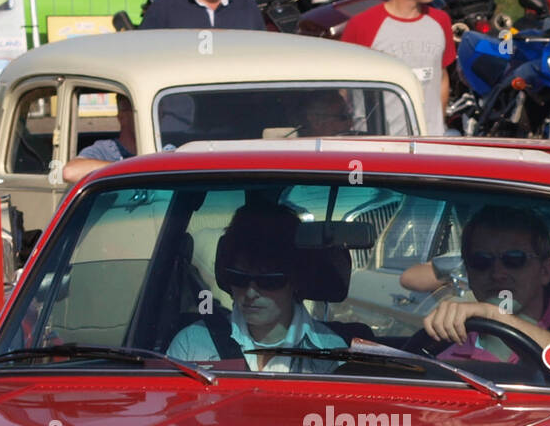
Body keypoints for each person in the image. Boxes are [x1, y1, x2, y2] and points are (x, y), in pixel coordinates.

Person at [168, 204, 347, 373]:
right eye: (239, 278)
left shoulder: (331, 354)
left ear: (295, 280)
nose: (251, 293)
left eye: (269, 281)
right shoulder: (191, 345)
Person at [420, 205, 550, 367]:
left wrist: (495, 315)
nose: (497, 274)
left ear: (545, 271)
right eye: (481, 261)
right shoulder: (453, 336)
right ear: (468, 272)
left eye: (514, 259)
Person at [341, 0, 455, 136]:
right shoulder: (362, 25)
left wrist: (438, 128)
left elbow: (441, 77)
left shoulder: (440, 21)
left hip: (431, 146)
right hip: (380, 148)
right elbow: (342, 88)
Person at [62, 93, 135, 183]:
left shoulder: (156, 148)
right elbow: (70, 172)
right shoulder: (107, 150)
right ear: (122, 117)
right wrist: (129, 168)